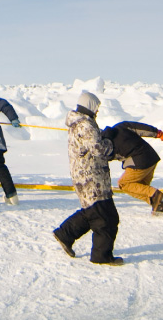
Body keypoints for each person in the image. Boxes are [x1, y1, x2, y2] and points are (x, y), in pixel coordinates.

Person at [54, 91, 124, 265]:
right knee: (106, 218)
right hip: (92, 179)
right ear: (90, 107)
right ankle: (101, 256)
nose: (97, 112)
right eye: (96, 108)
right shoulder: (85, 125)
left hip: (86, 177)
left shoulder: (79, 123)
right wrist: (111, 144)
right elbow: (98, 148)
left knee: (94, 212)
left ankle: (65, 234)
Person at [103, 118, 163, 215]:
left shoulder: (102, 147)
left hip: (140, 162)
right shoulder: (121, 127)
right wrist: (158, 133)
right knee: (141, 188)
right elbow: (140, 128)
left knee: (124, 184)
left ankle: (159, 198)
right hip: (152, 158)